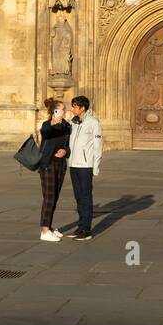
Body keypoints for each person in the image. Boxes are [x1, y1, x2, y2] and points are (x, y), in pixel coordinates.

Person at [65, 95, 102, 240]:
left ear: (82, 108)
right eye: (72, 106)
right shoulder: (72, 123)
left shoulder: (93, 123)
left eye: (74, 106)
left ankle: (86, 230)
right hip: (73, 164)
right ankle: (80, 227)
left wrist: (96, 167)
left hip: (86, 166)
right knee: (78, 197)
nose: (72, 109)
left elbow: (98, 147)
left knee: (86, 197)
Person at [38, 97, 70, 241]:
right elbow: (46, 133)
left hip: (60, 165)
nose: (64, 111)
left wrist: (65, 151)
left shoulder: (66, 126)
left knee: (54, 197)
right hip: (48, 164)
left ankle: (49, 227)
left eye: (64, 109)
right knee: (49, 197)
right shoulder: (47, 125)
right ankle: (44, 231)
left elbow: (68, 145)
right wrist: (53, 123)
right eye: (62, 109)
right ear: (54, 111)